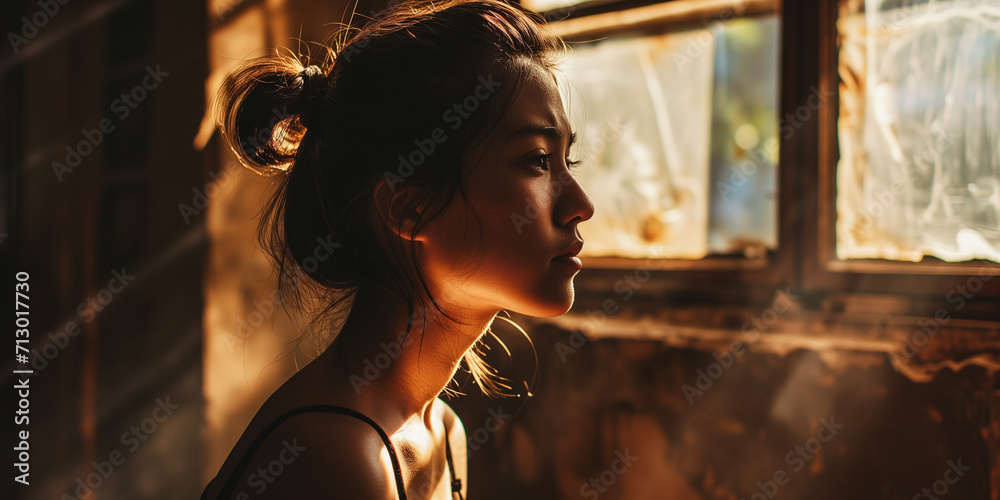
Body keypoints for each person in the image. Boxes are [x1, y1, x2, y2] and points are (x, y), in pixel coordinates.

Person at [200, 0, 594, 497]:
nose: (580, 204)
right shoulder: (335, 458)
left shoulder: (442, 434)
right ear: (409, 209)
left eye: (567, 159)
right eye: (537, 160)